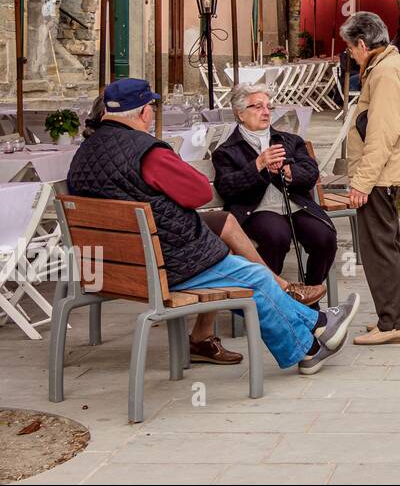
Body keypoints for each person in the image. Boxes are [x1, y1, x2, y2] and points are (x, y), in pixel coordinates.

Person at [66, 78, 359, 375]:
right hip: (162, 265)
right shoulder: (148, 152)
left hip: (110, 268)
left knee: (249, 272)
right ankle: (311, 340)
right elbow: (200, 193)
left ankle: (317, 332)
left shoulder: (83, 153)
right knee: (254, 276)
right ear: (144, 113)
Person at [212, 83, 336, 297]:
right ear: (240, 114)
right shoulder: (227, 151)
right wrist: (257, 166)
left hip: (296, 205)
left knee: (324, 235)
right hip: (256, 210)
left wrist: (290, 172)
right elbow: (227, 187)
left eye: (269, 106)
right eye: (258, 106)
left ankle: (310, 293)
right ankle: (273, 297)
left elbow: (310, 171)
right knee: (276, 236)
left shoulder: (289, 140)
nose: (266, 112)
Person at [341, 11, 400, 344]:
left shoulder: (386, 72)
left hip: (379, 174)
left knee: (378, 248)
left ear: (362, 43)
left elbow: (381, 133)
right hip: (385, 173)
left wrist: (361, 181)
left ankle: (392, 323)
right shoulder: (389, 65)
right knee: (389, 243)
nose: (350, 55)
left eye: (350, 49)